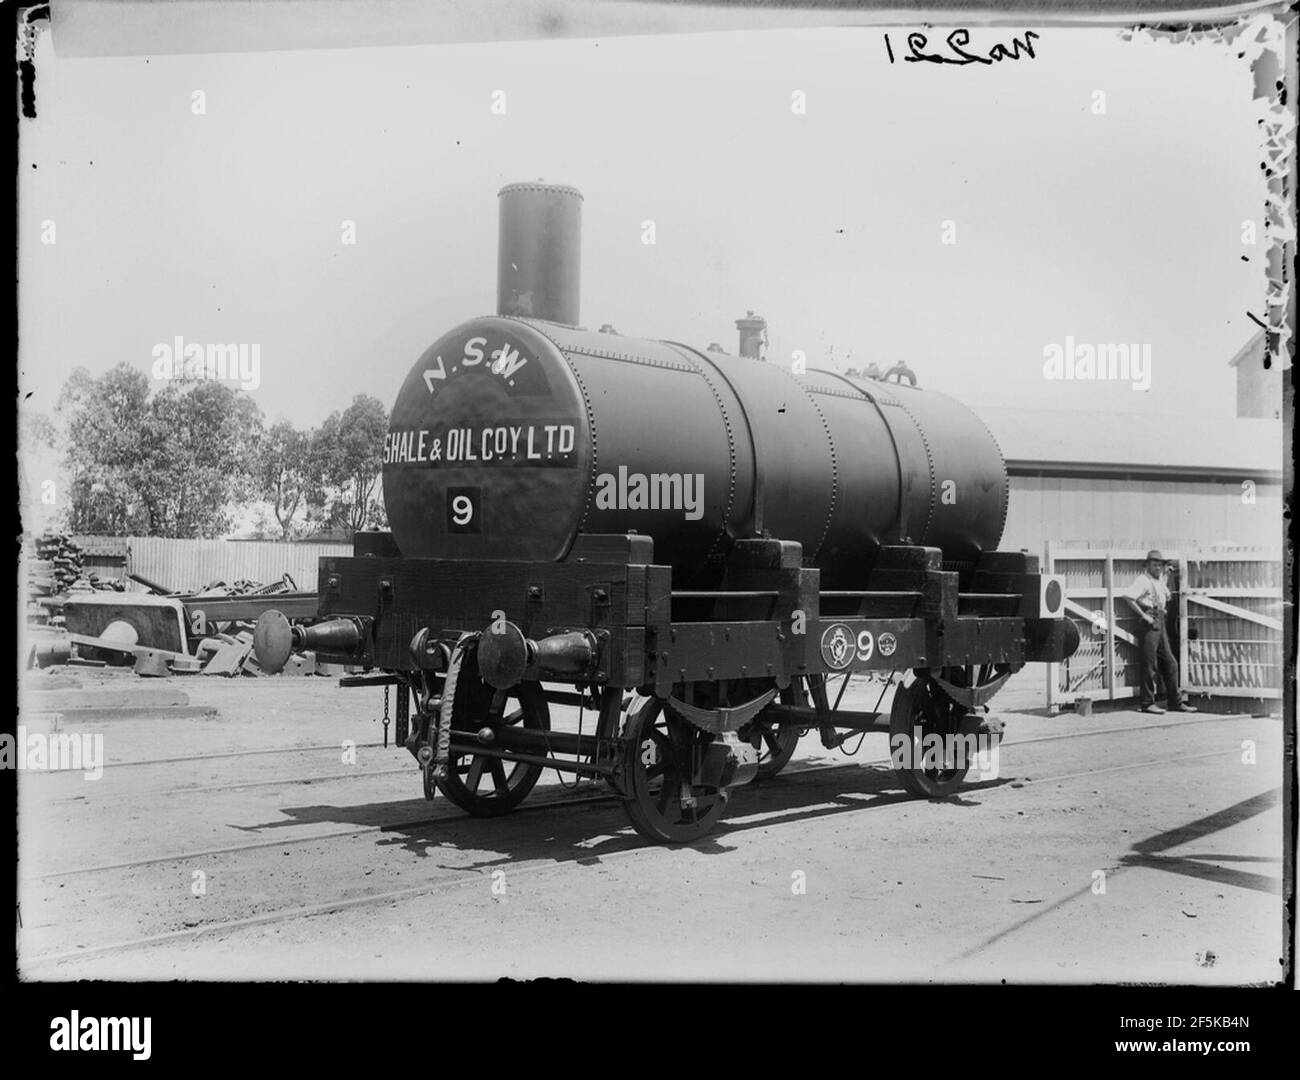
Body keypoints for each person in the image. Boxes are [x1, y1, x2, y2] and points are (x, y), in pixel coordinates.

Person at [1124, 550, 1197, 715]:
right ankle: (1147, 703)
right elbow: (1128, 597)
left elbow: (1167, 597)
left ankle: (1175, 702)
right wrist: (1144, 615)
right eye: (1155, 564)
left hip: (1160, 622)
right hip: (1150, 622)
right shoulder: (1143, 580)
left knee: (1171, 664)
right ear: (1147, 565)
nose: (1158, 567)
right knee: (1149, 664)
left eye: (1160, 565)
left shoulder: (1159, 581)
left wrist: (1168, 575)